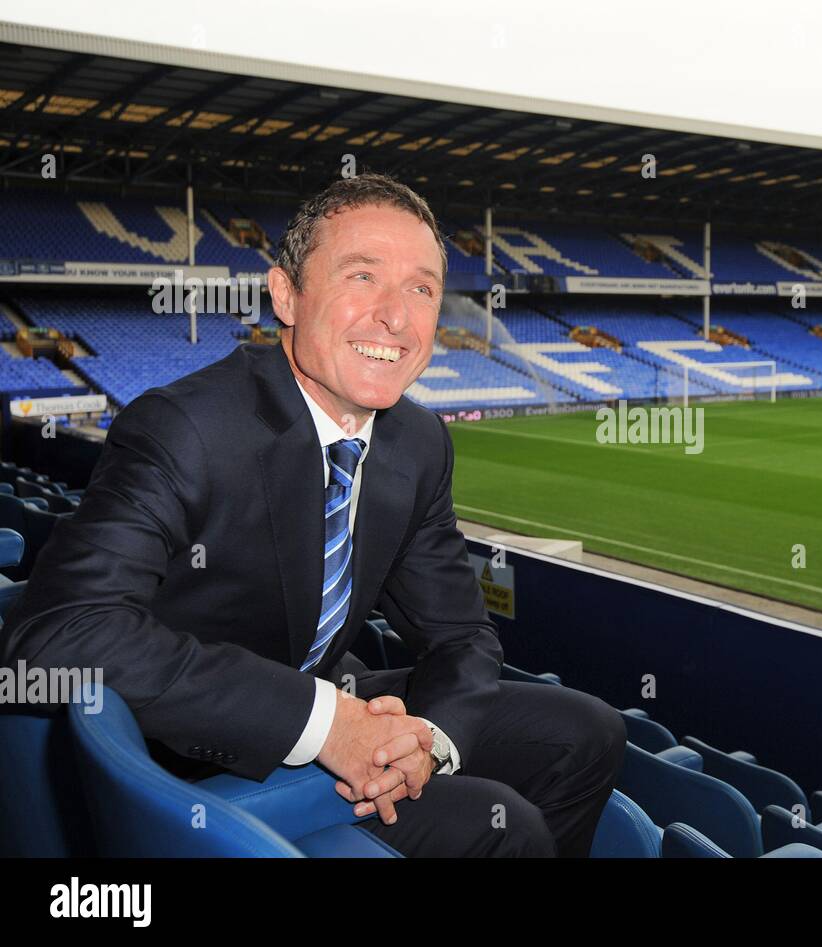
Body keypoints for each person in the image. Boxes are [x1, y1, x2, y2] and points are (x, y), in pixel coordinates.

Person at [0, 172, 624, 857]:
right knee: (507, 827)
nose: (396, 316)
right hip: (182, 760)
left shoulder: (416, 443)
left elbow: (461, 638)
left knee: (587, 729)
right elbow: (56, 636)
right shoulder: (188, 427)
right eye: (363, 276)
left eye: (421, 288)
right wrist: (326, 723)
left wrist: (430, 744)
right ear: (285, 295)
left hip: (321, 698)